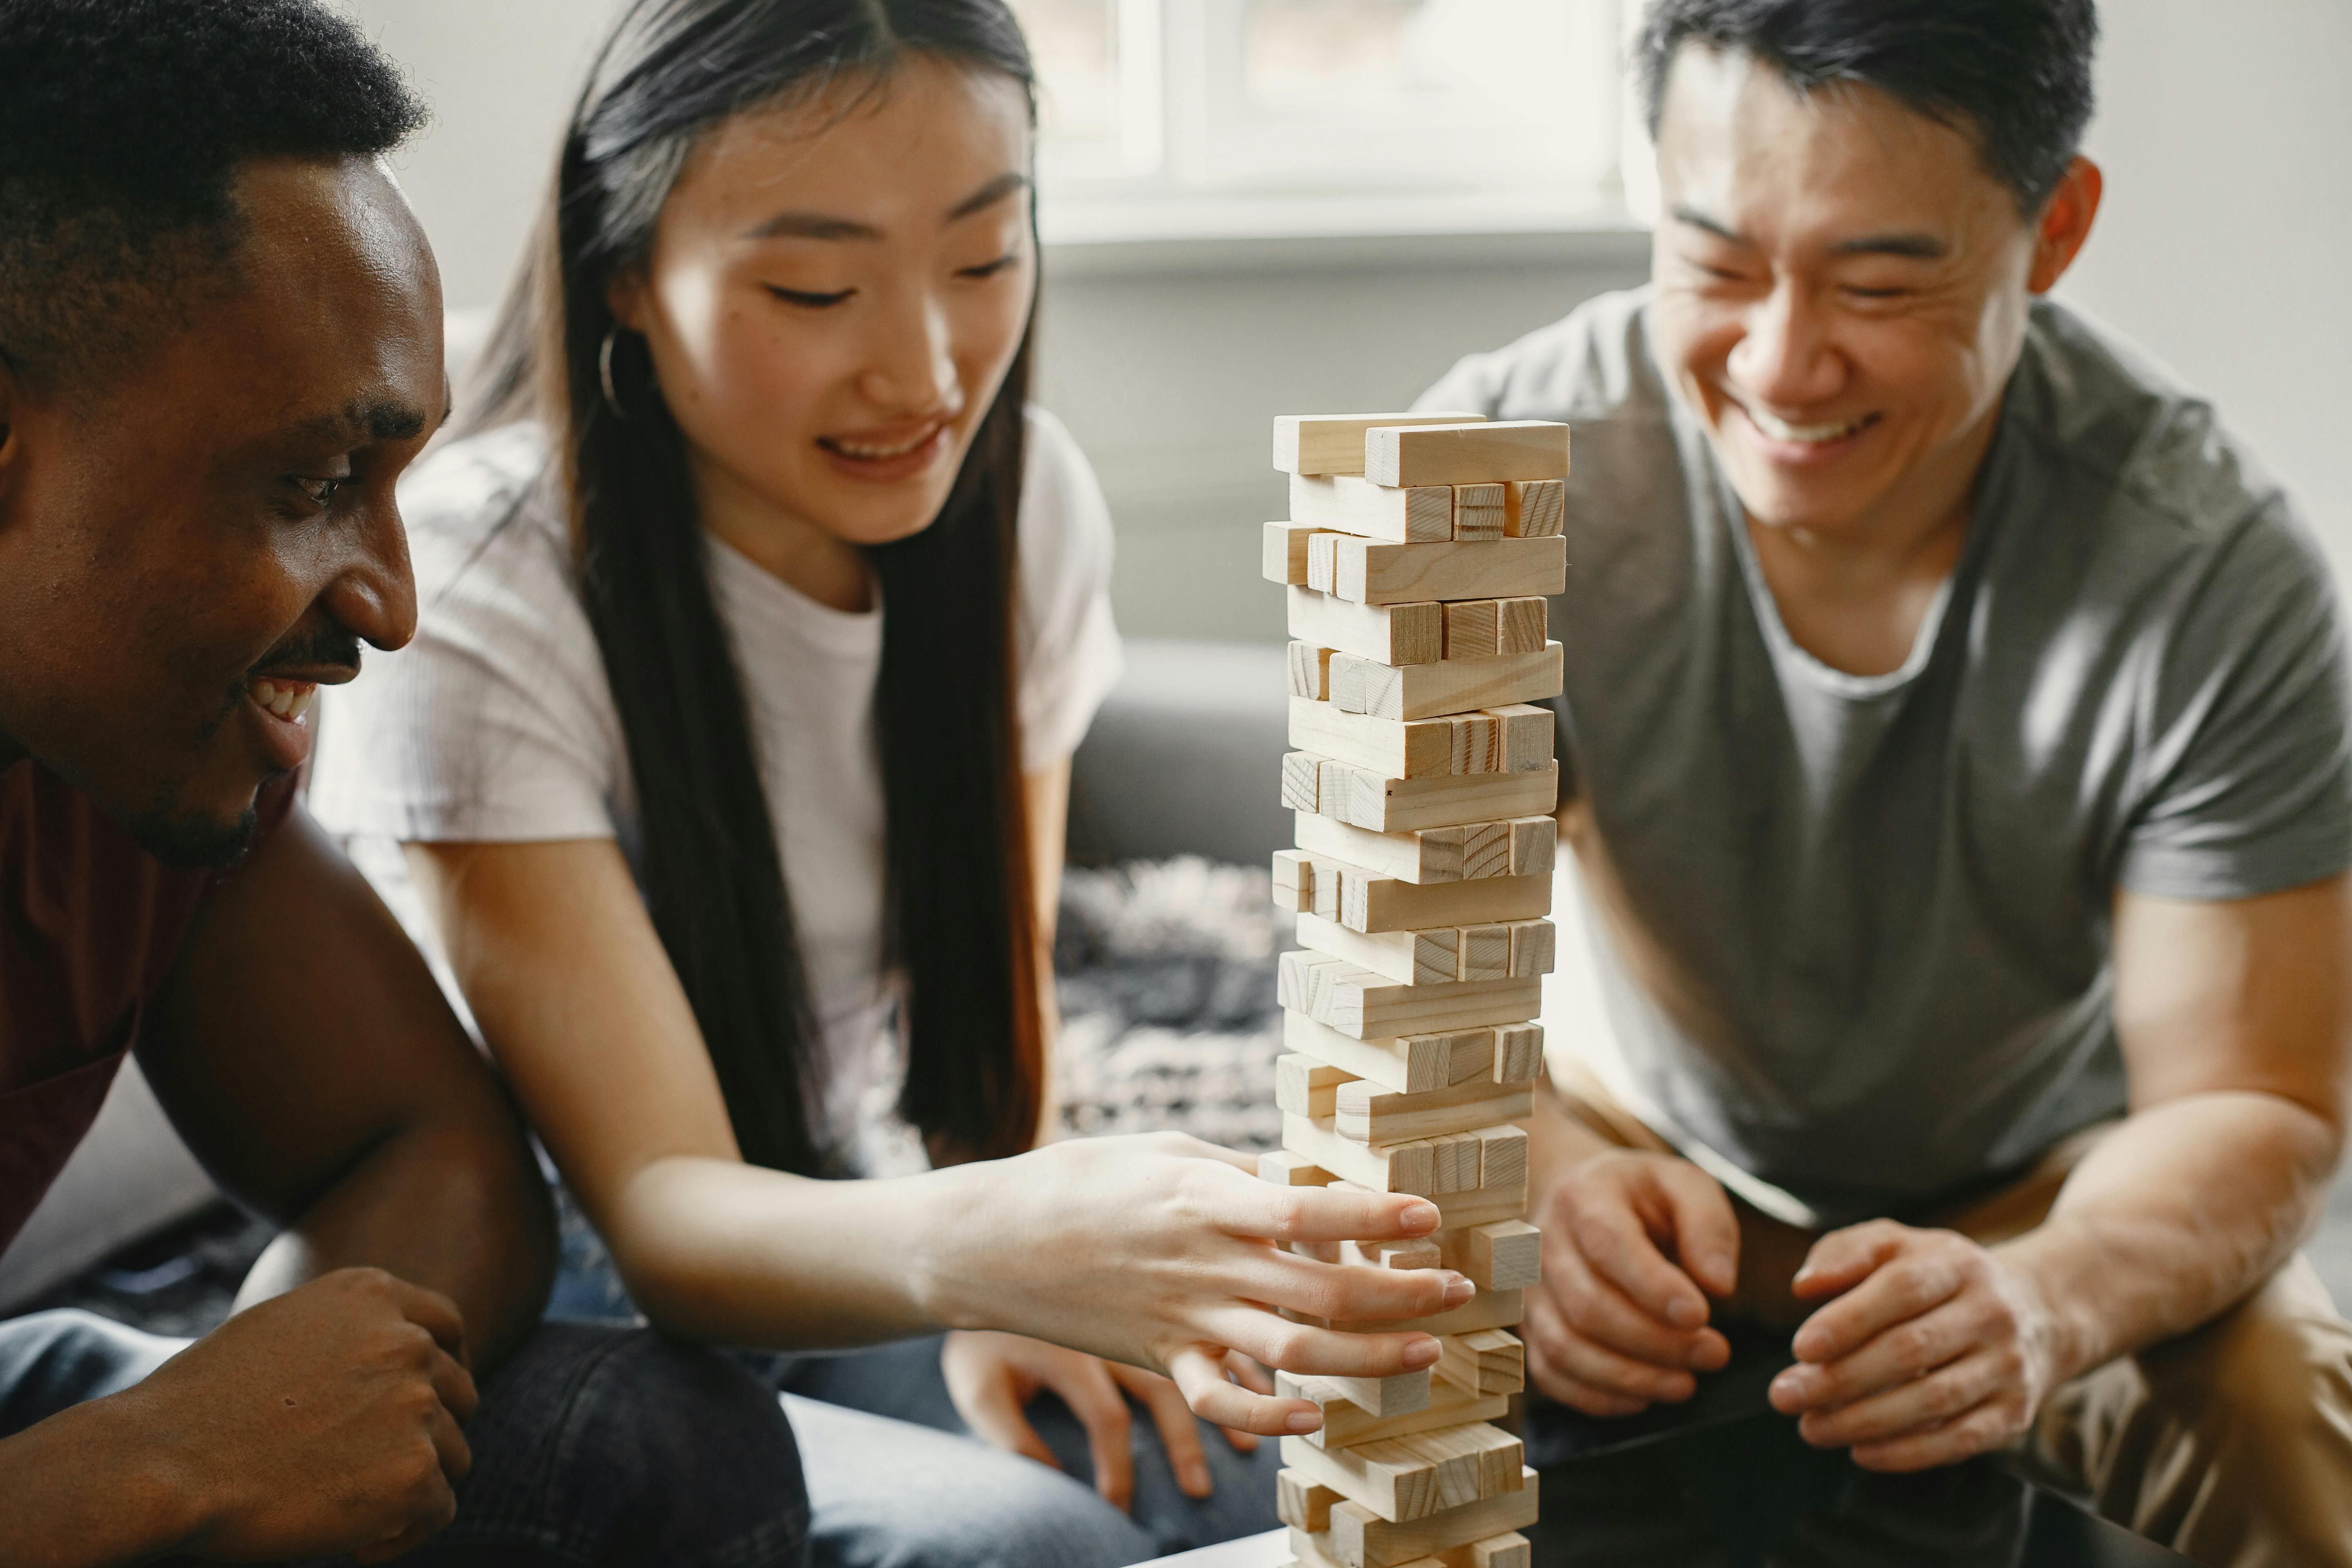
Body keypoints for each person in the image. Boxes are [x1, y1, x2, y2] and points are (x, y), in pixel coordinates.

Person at [310, 2, 1466, 1562]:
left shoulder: (1025, 503)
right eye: (815, 287)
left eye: (987, 260)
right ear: (628, 274)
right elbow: (662, 1208)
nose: (923, 370)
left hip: (846, 1206)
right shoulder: (483, 581)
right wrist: (1000, 1250)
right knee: (1033, 1545)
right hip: (545, 1277)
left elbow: (999, 1014)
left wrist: (1024, 1267)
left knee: (1296, 1473)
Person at [1417, 1, 2352, 1563]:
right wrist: (1543, 1178)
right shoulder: (1489, 476)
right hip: (1633, 1150)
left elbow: (2253, 1096)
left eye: (1882, 281)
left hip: (2041, 1198)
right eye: (1714, 263)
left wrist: (2049, 1300)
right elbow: (1395, 985)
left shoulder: (2206, 567)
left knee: (2278, 1402)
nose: (1781, 364)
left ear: (2054, 231)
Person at [0, 2, 818, 1564]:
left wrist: (259, 1414)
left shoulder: (139, 776)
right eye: (314, 485)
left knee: (650, 1446)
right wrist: (159, 1468)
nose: (390, 601)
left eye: (395, 487)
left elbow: (424, 1149)